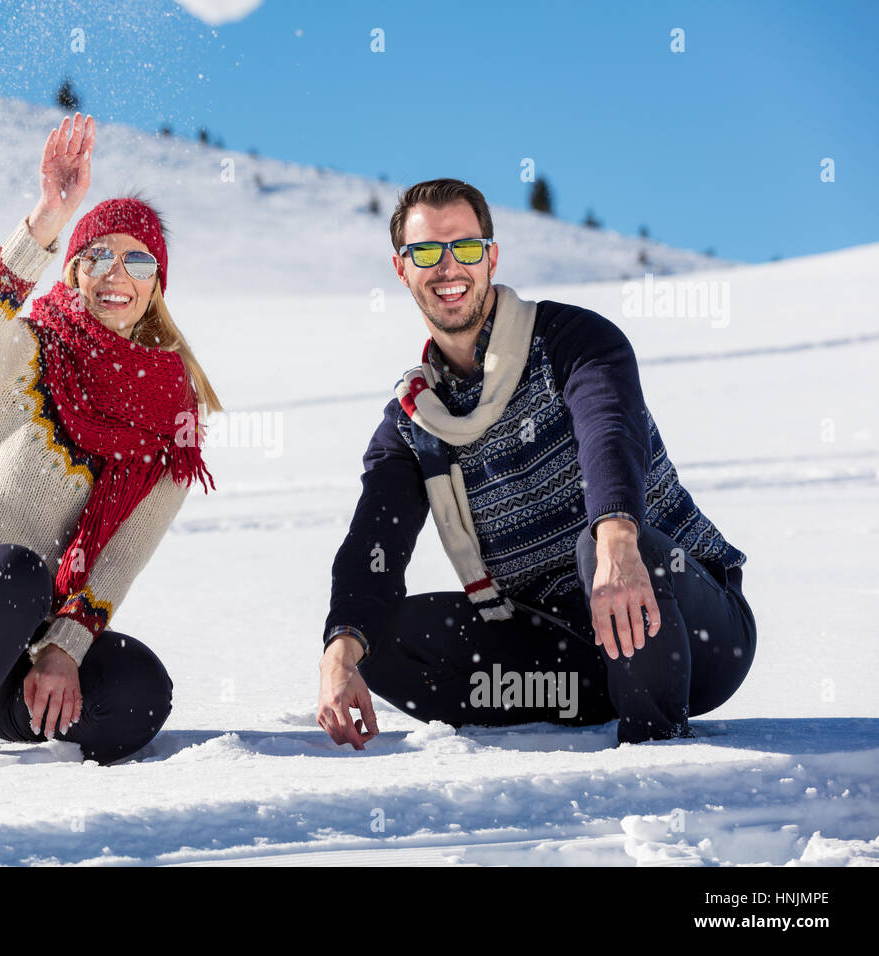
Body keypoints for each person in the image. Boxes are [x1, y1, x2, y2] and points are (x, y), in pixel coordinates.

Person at [317, 178, 755, 748]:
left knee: (604, 544)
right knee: (386, 638)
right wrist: (340, 651)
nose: (448, 266)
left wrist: (617, 538)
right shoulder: (415, 422)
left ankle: (653, 753)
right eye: (426, 252)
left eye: (466, 248)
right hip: (568, 650)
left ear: (491, 256)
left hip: (691, 628)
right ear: (402, 269)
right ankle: (598, 700)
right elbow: (373, 540)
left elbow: (610, 432)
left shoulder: (572, 341)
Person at [0, 113, 220, 764]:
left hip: (23, 652)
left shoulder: (171, 422)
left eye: (137, 257)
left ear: (157, 283)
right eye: (96, 254)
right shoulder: (30, 359)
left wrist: (64, 648)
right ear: (71, 271)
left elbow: (121, 556)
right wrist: (49, 215)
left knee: (139, 688)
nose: (115, 271)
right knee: (16, 570)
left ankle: (26, 716)